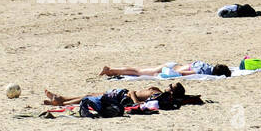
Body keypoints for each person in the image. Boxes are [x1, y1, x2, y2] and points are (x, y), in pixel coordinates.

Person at [45, 83, 183, 108]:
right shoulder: (156, 91)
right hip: (122, 94)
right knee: (90, 95)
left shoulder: (157, 94)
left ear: (171, 92)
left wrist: (135, 103)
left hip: (122, 96)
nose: (169, 85)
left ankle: (61, 102)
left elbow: (133, 92)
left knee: (89, 97)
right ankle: (60, 98)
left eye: (171, 86)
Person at [99, 61, 232, 78]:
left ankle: (111, 70)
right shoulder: (204, 72)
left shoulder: (205, 65)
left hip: (173, 64)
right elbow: (183, 73)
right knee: (138, 72)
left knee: (139, 70)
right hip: (170, 68)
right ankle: (110, 70)